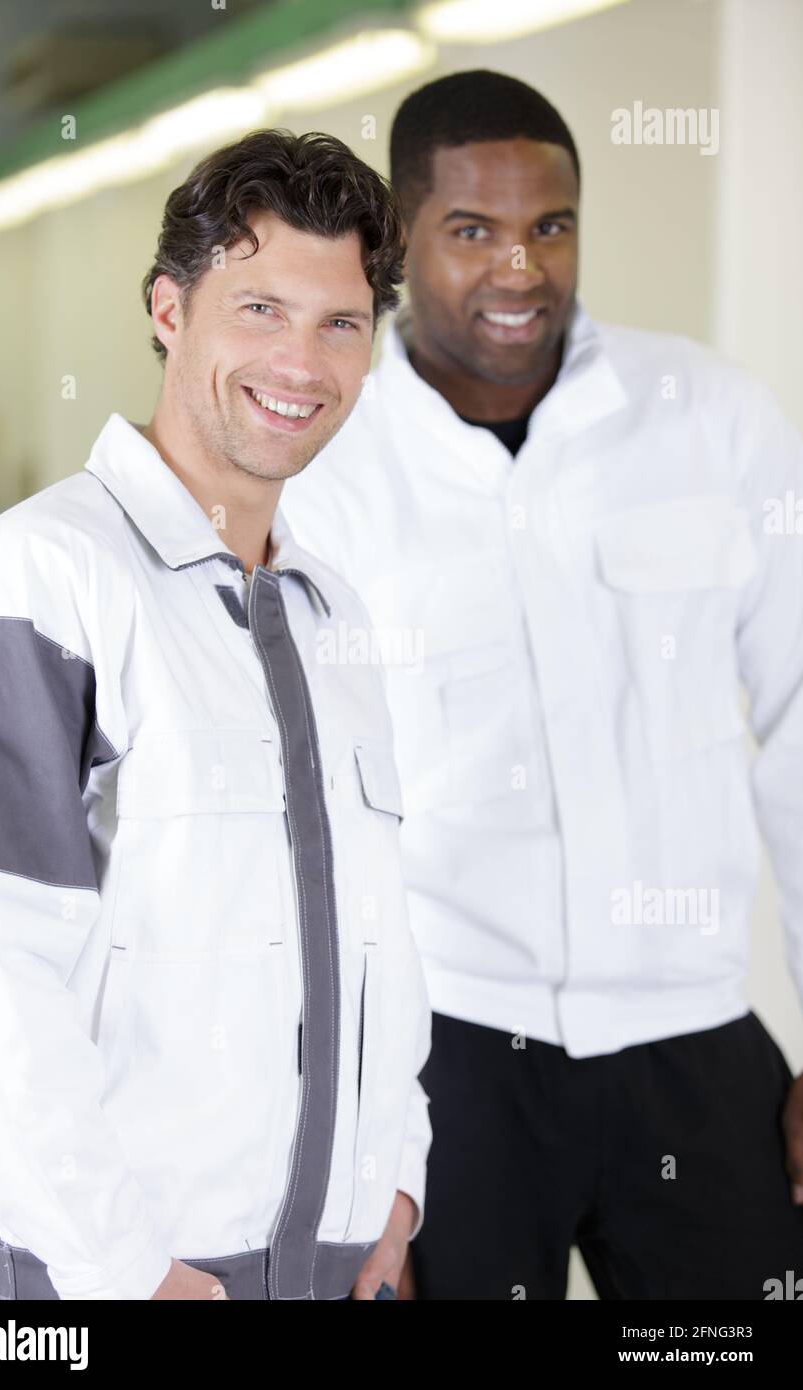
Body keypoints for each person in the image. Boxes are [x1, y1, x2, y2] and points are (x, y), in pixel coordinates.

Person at [280, 70, 803, 1299]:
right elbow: (298, 832)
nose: (518, 267)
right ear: (396, 243)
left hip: (687, 1029)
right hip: (450, 1054)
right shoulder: (329, 472)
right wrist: (339, 1138)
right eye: (471, 231)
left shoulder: (709, 418)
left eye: (548, 227)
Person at [0, 129, 432, 1301]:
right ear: (168, 306)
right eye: (257, 308)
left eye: (339, 324)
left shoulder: (330, 614)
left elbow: (379, 933)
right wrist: (121, 1271)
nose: (299, 362)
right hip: (112, 1283)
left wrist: (393, 1182)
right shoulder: (31, 583)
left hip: (323, 1272)